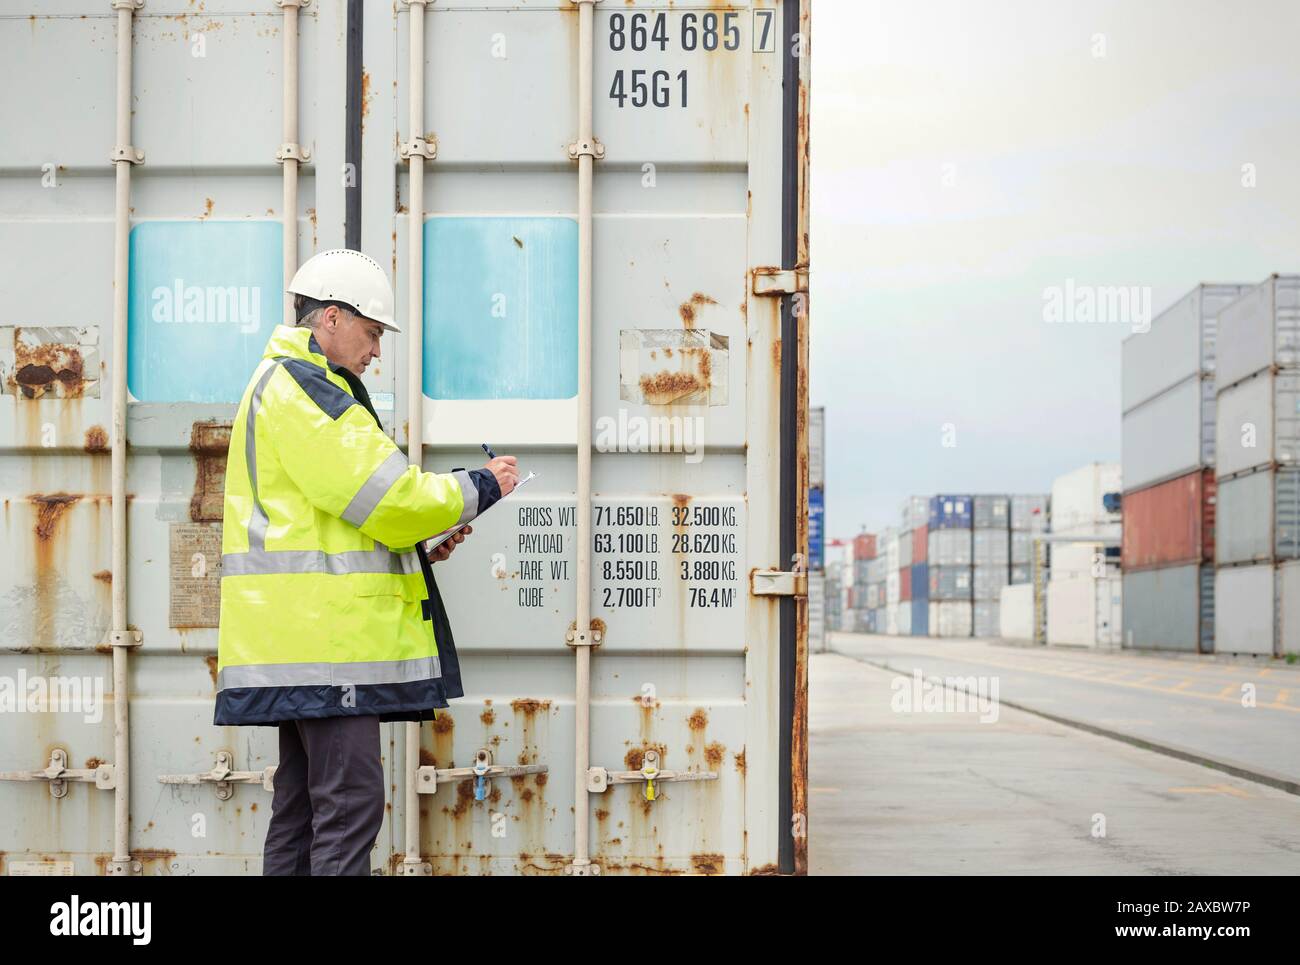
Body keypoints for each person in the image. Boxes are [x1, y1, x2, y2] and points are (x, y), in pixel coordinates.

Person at [213, 248, 518, 875]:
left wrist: (418, 544)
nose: (376, 351)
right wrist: (479, 486)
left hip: (300, 645)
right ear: (330, 318)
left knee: (300, 816)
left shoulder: (285, 385)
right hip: (325, 650)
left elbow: (339, 516)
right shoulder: (305, 390)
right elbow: (390, 497)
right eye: (372, 332)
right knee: (350, 808)